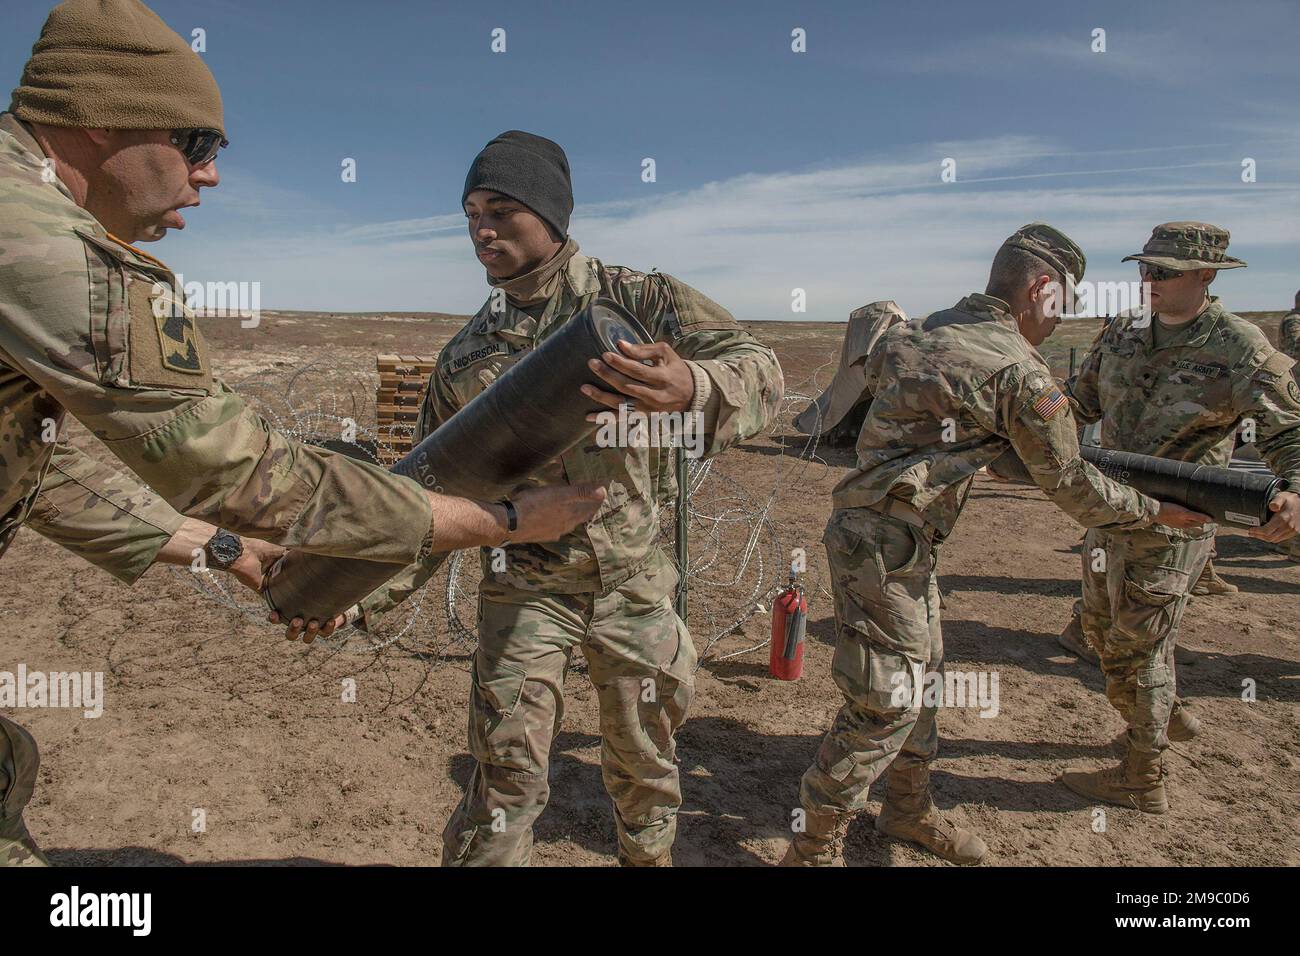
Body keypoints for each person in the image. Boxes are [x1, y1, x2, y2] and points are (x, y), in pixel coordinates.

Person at [0, 0, 601, 866]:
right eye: (197, 144)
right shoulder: (43, 247)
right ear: (99, 120)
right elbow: (239, 471)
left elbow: (43, 472)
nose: (209, 176)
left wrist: (221, 551)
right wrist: (499, 523)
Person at [350, 130, 784, 866]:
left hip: (634, 586)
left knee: (647, 771)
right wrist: (361, 590)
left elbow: (761, 366)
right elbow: (427, 491)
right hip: (526, 590)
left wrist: (697, 387)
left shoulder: (640, 300)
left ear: (551, 211)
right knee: (504, 784)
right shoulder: (466, 355)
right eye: (470, 212)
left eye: (501, 209)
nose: (481, 229)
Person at [781, 224, 1208, 867]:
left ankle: (907, 811)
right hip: (885, 547)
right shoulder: (1019, 372)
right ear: (1040, 289)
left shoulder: (916, 331)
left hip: (888, 540)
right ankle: (813, 846)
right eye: (1062, 304)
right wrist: (1155, 513)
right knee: (885, 704)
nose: (1060, 324)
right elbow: (1069, 485)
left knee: (924, 683)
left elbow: (955, 438)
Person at [1060, 222, 1300, 813]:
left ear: (1206, 276)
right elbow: (1077, 401)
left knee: (1136, 652)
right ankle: (1161, 712)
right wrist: (1018, 421)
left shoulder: (1240, 348)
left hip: (1176, 525)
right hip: (1111, 509)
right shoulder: (1123, 329)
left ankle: (1142, 776)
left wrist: (1297, 491)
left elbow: (1290, 432)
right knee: (1094, 632)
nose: (1149, 282)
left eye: (1164, 272)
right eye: (1145, 269)